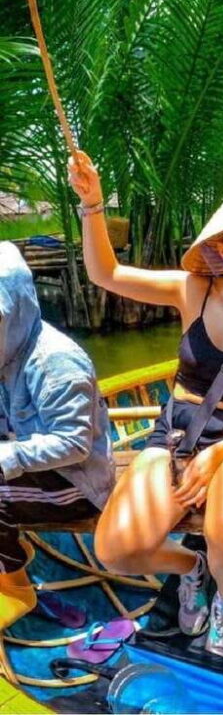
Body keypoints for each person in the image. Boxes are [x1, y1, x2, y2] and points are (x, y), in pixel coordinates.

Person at [68, 152, 223, 661]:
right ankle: (189, 569)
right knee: (116, 548)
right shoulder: (192, 292)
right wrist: (92, 206)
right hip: (177, 430)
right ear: (221, 249)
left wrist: (219, 453)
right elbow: (105, 273)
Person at [0, 242, 114, 629]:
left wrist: (5, 458)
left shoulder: (55, 361)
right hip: (37, 473)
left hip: (78, 485)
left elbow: (74, 444)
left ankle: (18, 590)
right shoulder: (7, 351)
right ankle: (14, 558)